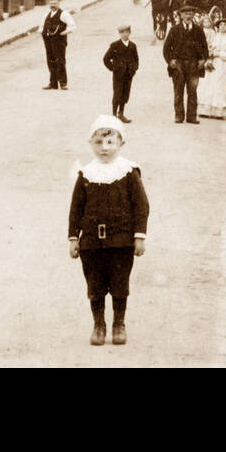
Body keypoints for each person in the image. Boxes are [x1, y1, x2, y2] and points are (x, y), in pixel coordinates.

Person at [68, 114, 149, 346]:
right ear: (91, 144)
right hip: (92, 242)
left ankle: (118, 323)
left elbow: (141, 206)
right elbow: (76, 208)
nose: (104, 148)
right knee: (95, 283)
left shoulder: (128, 172)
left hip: (121, 241)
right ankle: (99, 324)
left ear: (121, 143)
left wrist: (139, 236)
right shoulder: (85, 174)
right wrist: (74, 237)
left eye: (110, 142)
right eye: (99, 143)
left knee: (120, 282)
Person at [163, 6, 207, 124]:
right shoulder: (174, 30)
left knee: (192, 91)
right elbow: (166, 48)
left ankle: (192, 117)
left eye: (190, 13)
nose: (188, 16)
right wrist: (170, 61)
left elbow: (205, 48)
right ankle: (179, 116)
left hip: (193, 64)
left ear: (193, 15)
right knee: (178, 91)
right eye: (185, 14)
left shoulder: (198, 30)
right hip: (178, 64)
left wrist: (203, 60)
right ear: (181, 16)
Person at [102, 24, 140, 122]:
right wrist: (113, 68)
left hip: (128, 74)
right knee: (117, 93)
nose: (124, 34)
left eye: (126, 32)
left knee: (125, 94)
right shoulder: (115, 45)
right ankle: (114, 115)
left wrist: (133, 69)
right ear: (119, 34)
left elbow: (136, 59)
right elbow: (106, 59)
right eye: (122, 32)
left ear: (129, 33)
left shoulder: (132, 46)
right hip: (118, 75)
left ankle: (121, 113)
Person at [204, 17, 226, 120]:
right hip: (213, 63)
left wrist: (217, 53)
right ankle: (207, 109)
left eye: (225, 25)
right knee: (209, 84)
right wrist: (210, 52)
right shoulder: (216, 36)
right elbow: (211, 46)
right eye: (221, 25)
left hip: (222, 64)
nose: (222, 27)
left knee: (220, 85)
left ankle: (219, 110)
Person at [41, 0, 74, 90]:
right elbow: (42, 26)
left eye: (55, 3)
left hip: (59, 41)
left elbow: (72, 25)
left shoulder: (64, 14)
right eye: (51, 3)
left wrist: (64, 32)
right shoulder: (47, 14)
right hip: (48, 41)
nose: (53, 5)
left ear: (59, 4)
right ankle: (53, 83)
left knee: (60, 61)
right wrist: (42, 33)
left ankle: (63, 83)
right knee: (50, 61)